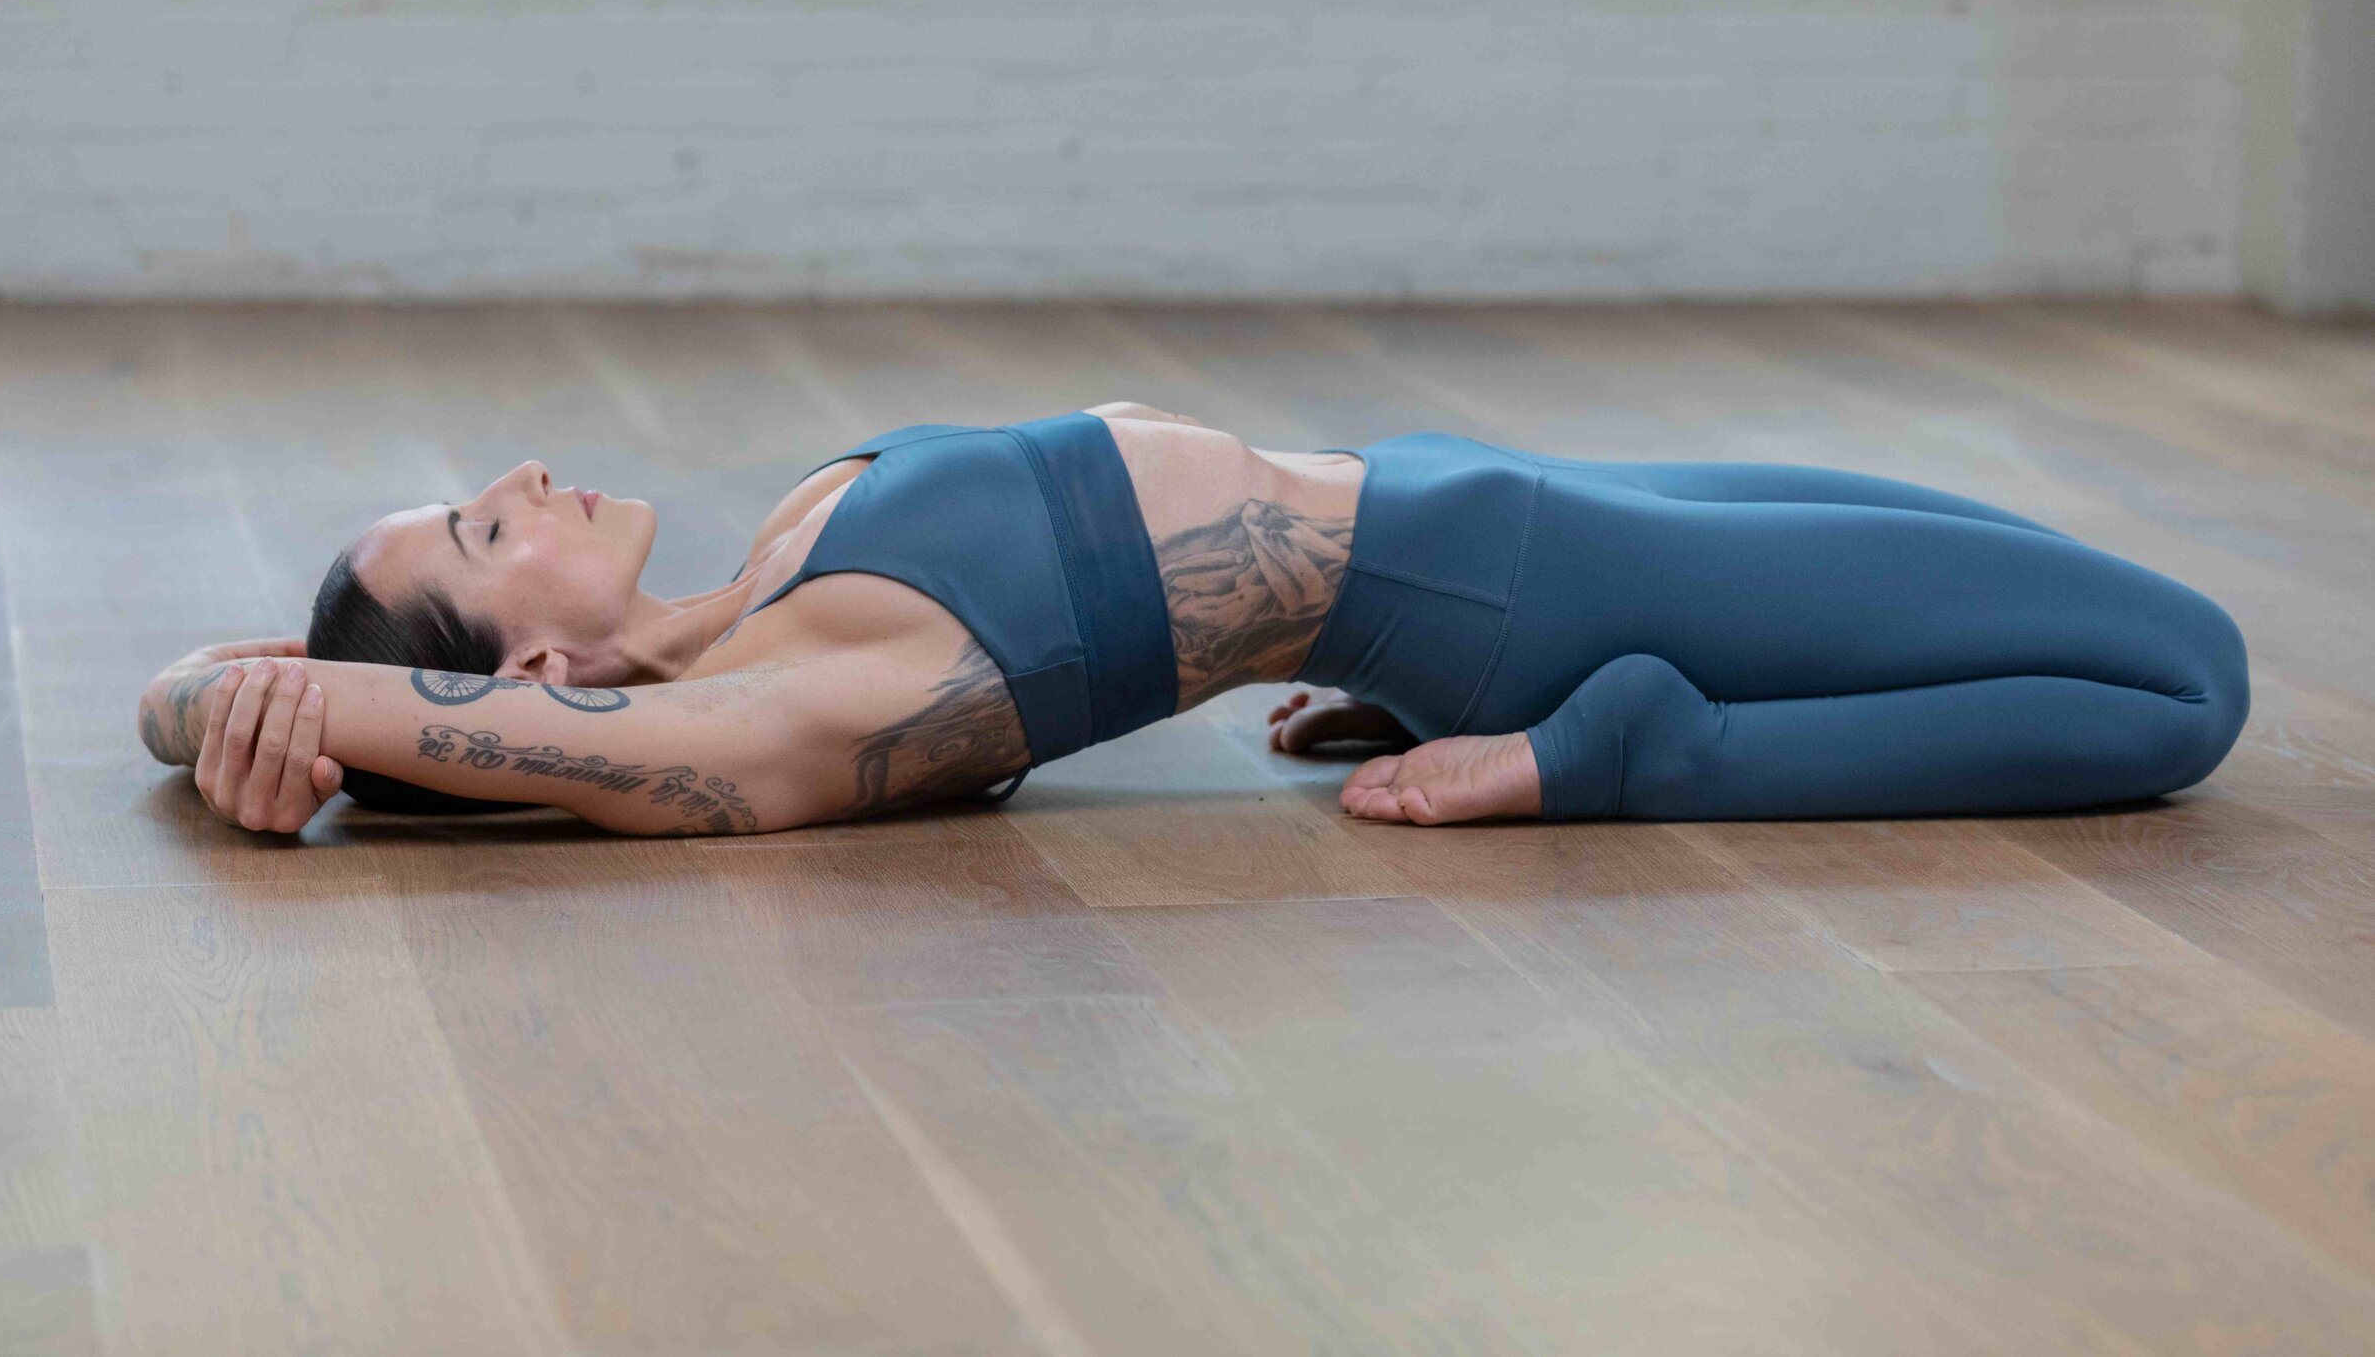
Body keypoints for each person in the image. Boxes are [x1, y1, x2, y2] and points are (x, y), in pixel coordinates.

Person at [137, 401, 2249, 838]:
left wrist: (257, 691)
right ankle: (1640, 753)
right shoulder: (778, 710)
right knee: (2180, 679)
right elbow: (208, 702)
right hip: (1542, 599)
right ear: (532, 675)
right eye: (481, 531)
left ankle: (1611, 722)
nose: (519, 479)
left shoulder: (768, 573)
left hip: (1499, 498)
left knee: (2025, 577)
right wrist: (246, 712)